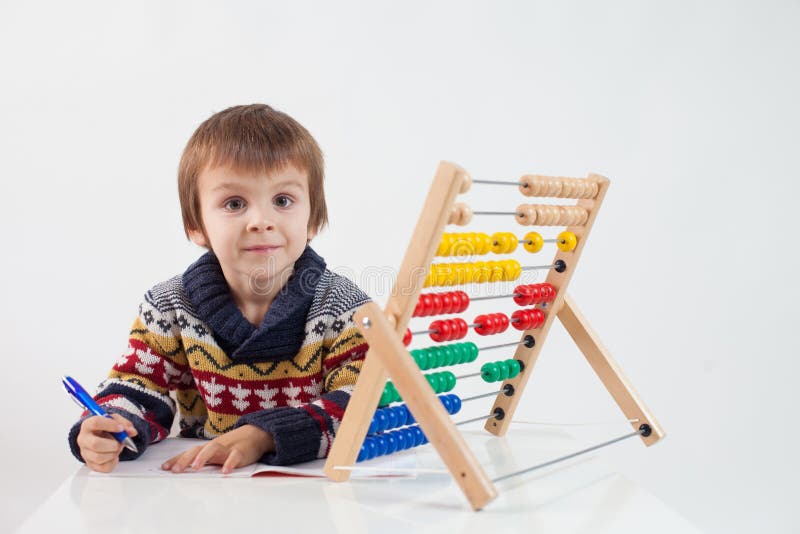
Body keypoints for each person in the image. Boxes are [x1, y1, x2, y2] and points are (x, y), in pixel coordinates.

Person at [68, 104, 370, 474]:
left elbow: (366, 405)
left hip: (309, 486)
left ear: (313, 219)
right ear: (196, 225)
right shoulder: (169, 307)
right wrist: (110, 424)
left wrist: (264, 436)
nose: (261, 221)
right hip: (206, 485)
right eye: (234, 203)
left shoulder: (344, 309)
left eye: (282, 201)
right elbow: (136, 386)